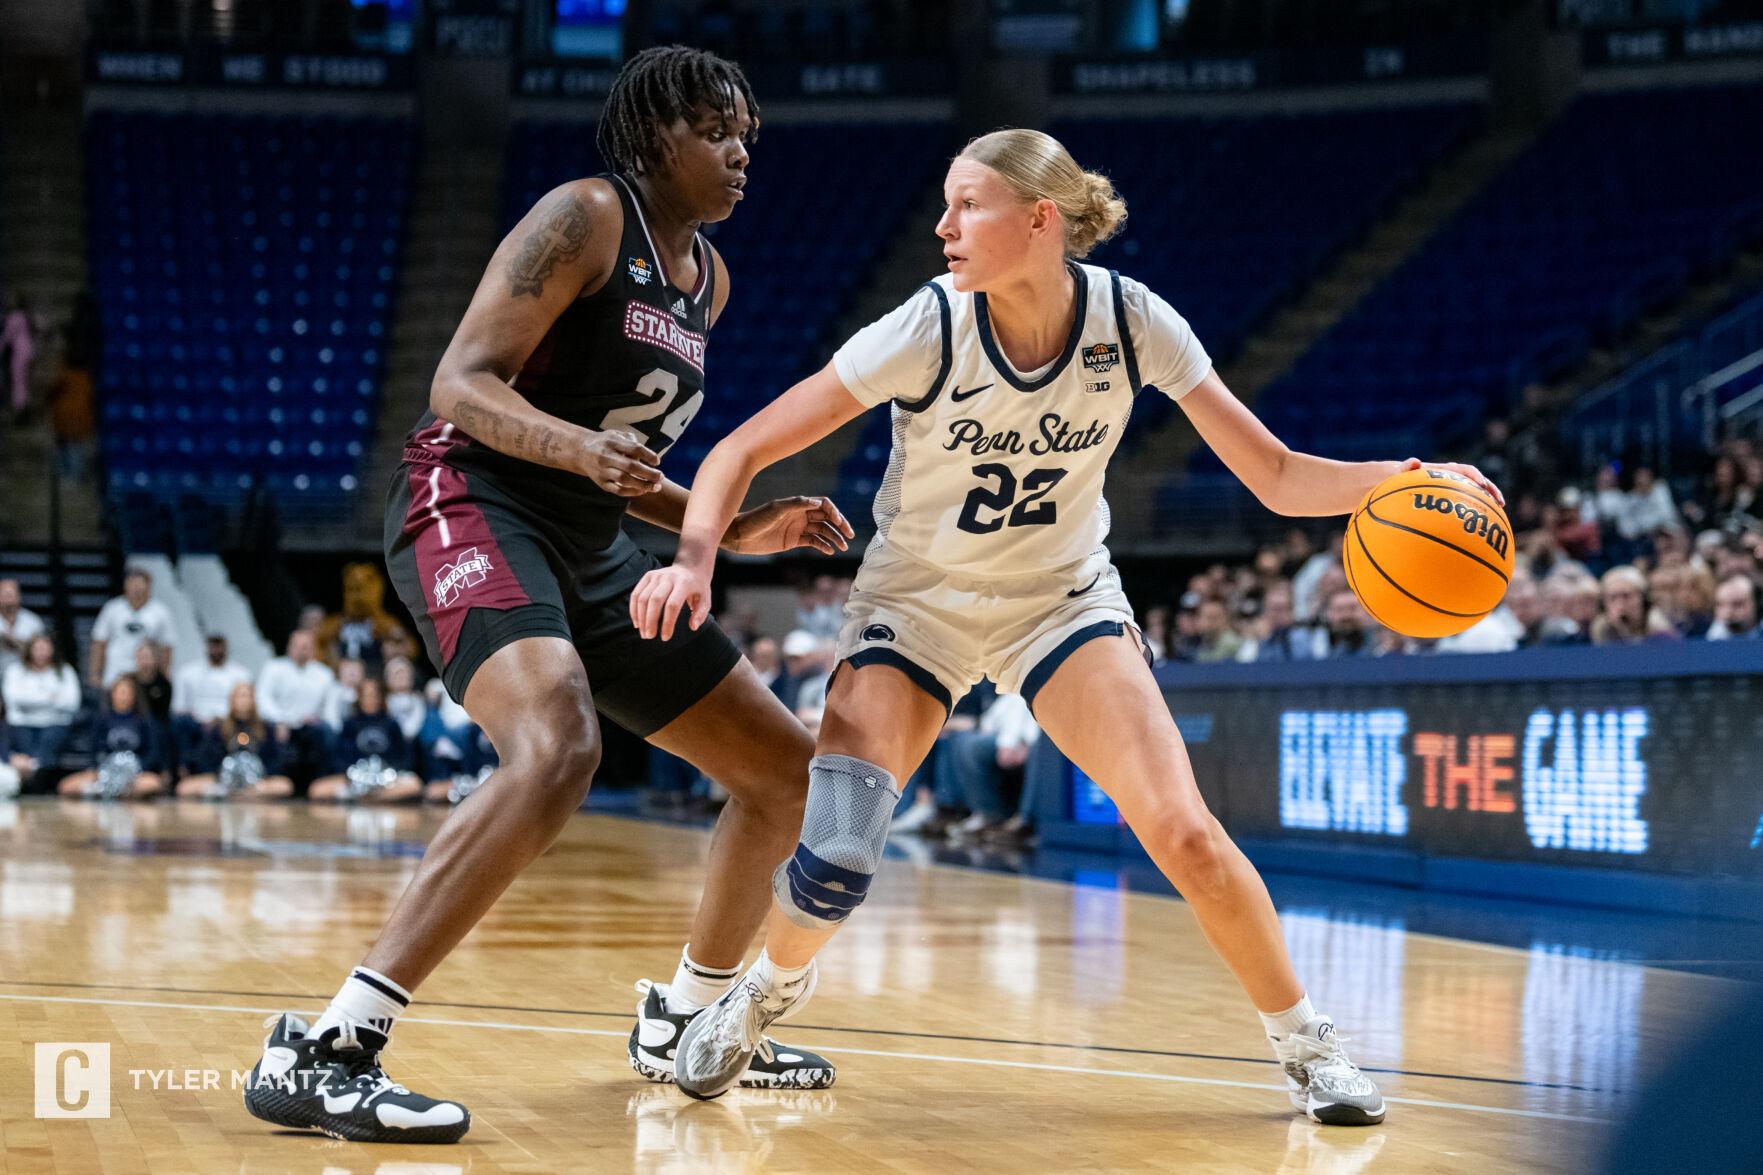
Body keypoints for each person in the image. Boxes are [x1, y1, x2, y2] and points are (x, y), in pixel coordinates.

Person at [631, 127, 1503, 1124]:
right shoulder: (926, 326)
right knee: (835, 848)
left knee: (1184, 830)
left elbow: (1270, 471)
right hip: (915, 604)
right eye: (944, 204)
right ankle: (767, 989)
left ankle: (1307, 1045)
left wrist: (1402, 479)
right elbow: (739, 446)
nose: (942, 224)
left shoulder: (1132, 322)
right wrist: (695, 555)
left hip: (1061, 599)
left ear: (1038, 220)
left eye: (968, 205)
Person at [243, 47, 846, 1144]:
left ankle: (685, 1017)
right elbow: (460, 383)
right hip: (470, 498)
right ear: (655, 133)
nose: (740, 149)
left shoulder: (707, 278)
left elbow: (622, 463)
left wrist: (731, 527)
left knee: (784, 771)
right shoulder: (583, 214)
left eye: (747, 130)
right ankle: (327, 1047)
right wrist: (574, 449)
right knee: (557, 745)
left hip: (589, 536)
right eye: (717, 127)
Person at [309, 678, 424, 804]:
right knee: (317, 789)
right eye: (366, 695)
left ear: (381, 696)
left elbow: (402, 757)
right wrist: (354, 775)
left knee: (415, 785)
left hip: (386, 780)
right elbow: (340, 757)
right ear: (359, 697)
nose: (370, 698)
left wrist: (387, 772)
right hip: (355, 779)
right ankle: (368, 797)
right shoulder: (350, 724)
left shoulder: (391, 724)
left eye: (374, 694)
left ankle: (368, 798)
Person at [175, 682, 294, 799]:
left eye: (248, 696)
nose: (244, 700)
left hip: (258, 783)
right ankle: (232, 793)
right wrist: (220, 777)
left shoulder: (265, 728)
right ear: (231, 700)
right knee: (184, 788)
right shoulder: (219, 728)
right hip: (223, 782)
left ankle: (246, 794)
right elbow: (207, 759)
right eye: (240, 696)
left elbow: (274, 760)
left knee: (285, 786)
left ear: (254, 700)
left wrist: (262, 779)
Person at [58, 674, 166, 799]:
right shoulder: (102, 719)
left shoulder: (144, 720)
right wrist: (96, 769)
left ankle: (113, 792)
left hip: (135, 774)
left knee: (153, 784)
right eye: (120, 692)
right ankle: (111, 791)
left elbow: (152, 751)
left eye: (127, 692)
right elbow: (94, 749)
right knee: (66, 787)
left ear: (134, 696)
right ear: (112, 694)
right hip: (105, 772)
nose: (123, 697)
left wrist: (140, 768)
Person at [254, 629, 337, 785]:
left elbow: (331, 713)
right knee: (266, 731)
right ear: (289, 647)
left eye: (305, 646)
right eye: (296, 645)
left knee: (325, 732)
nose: (300, 650)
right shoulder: (273, 667)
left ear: (313, 649)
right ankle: (271, 782)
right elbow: (262, 699)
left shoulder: (324, 674)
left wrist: (320, 720)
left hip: (310, 727)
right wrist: (281, 719)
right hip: (279, 723)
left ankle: (322, 783)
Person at [1, 633, 81, 790]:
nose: (41, 652)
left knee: (52, 737)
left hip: (55, 723)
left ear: (52, 650)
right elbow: (13, 698)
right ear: (30, 650)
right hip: (21, 723)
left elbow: (72, 702)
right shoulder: (15, 670)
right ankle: (34, 774)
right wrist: (51, 698)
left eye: (45, 648)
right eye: (37, 648)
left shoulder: (64, 671)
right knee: (18, 736)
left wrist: (30, 699)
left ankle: (32, 772)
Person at [89, 567, 175, 688]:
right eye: (132, 584)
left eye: (139, 584)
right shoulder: (112, 608)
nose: (136, 588)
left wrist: (164, 675)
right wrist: (94, 673)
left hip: (146, 674)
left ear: (148, 586)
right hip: (116, 671)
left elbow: (167, 647)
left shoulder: (160, 612)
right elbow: (99, 642)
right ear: (125, 585)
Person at [0, 578, 47, 673]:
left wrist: (16, 643)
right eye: (5, 595)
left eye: (11, 595)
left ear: (19, 596)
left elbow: (43, 652)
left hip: (26, 678)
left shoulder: (33, 622)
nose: (8, 599)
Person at [1708, 574, 1761, 639]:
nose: (1728, 613)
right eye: (1720, 605)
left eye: (1737, 604)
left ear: (1757, 604)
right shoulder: (1705, 636)